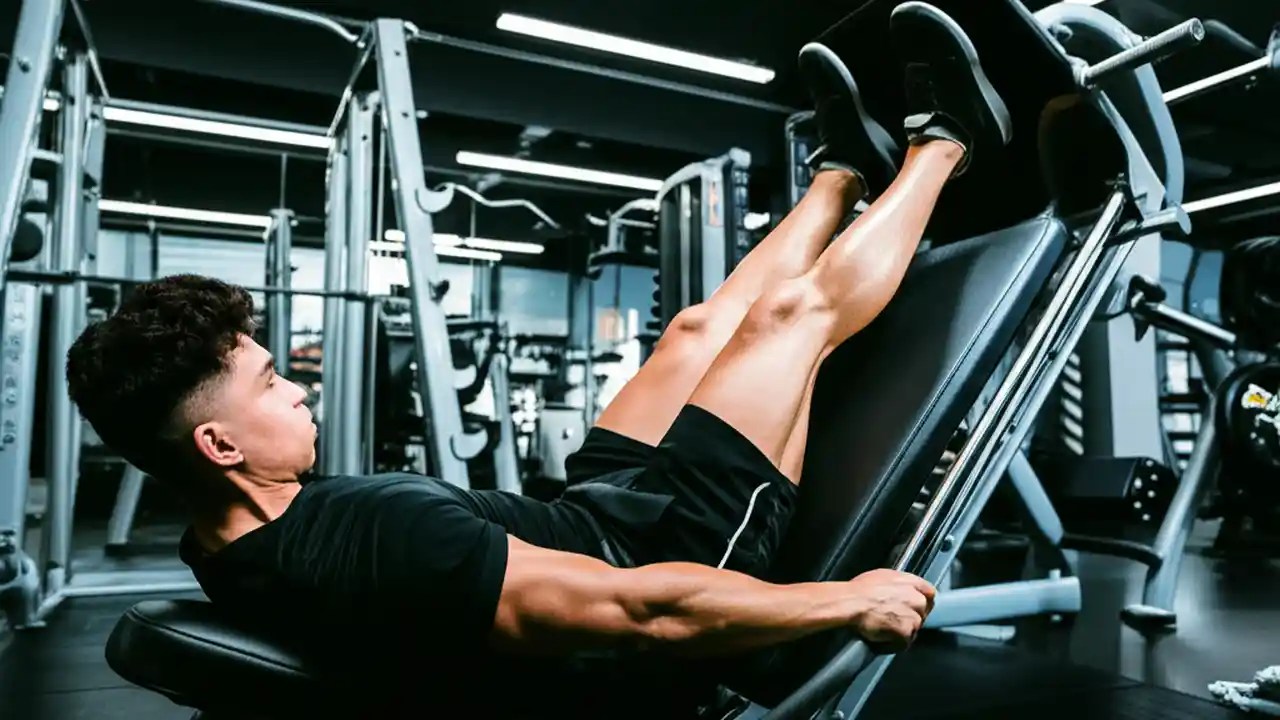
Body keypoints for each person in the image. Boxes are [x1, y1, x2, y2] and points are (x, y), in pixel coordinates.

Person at [66, 3, 1011, 716]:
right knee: (790, 320)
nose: (299, 388)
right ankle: (951, 143)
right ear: (222, 447)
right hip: (675, 549)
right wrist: (837, 603)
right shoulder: (375, 548)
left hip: (586, 511)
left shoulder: (223, 540)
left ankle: (844, 169)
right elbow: (644, 616)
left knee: (694, 327)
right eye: (272, 383)